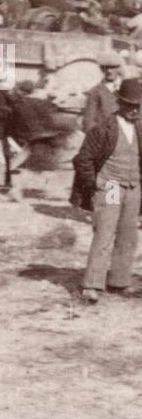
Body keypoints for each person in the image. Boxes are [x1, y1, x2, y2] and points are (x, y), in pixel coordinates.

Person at [71, 76, 142, 303]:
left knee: (128, 235)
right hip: (111, 185)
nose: (134, 110)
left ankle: (119, 281)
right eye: (130, 105)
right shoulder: (103, 129)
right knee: (105, 232)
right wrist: (95, 184)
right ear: (120, 103)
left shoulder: (140, 128)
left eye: (138, 106)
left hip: (133, 187)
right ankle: (92, 285)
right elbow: (82, 160)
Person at [83, 53, 124, 135]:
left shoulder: (126, 87)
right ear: (101, 69)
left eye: (113, 67)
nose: (109, 71)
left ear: (119, 68)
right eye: (105, 68)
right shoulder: (95, 91)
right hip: (106, 137)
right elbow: (89, 121)